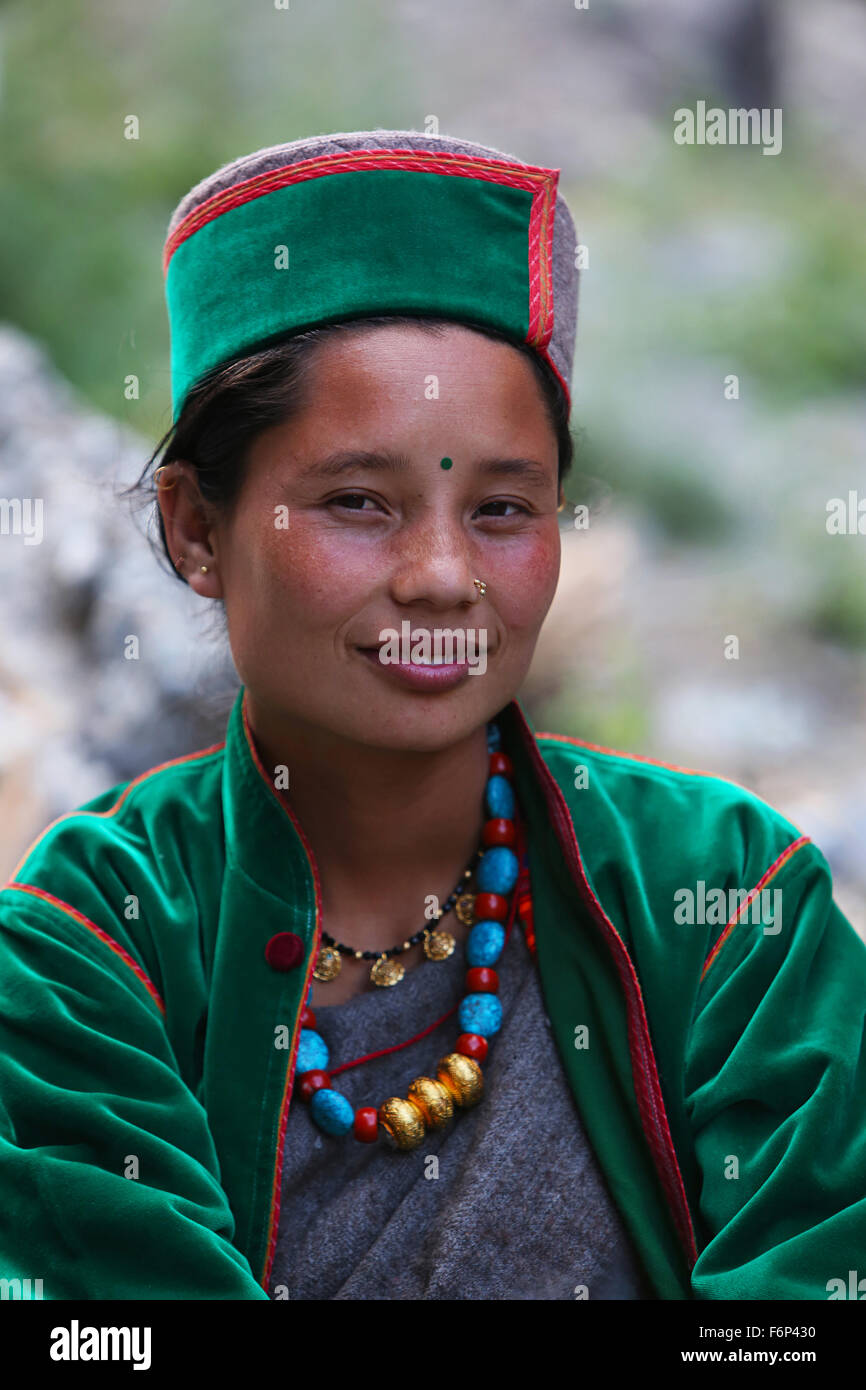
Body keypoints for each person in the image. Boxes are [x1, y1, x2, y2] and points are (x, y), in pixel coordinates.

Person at [1, 129, 864, 1302]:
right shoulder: (89, 940)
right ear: (196, 530)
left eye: (503, 508)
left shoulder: (725, 901)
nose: (442, 576)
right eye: (359, 502)